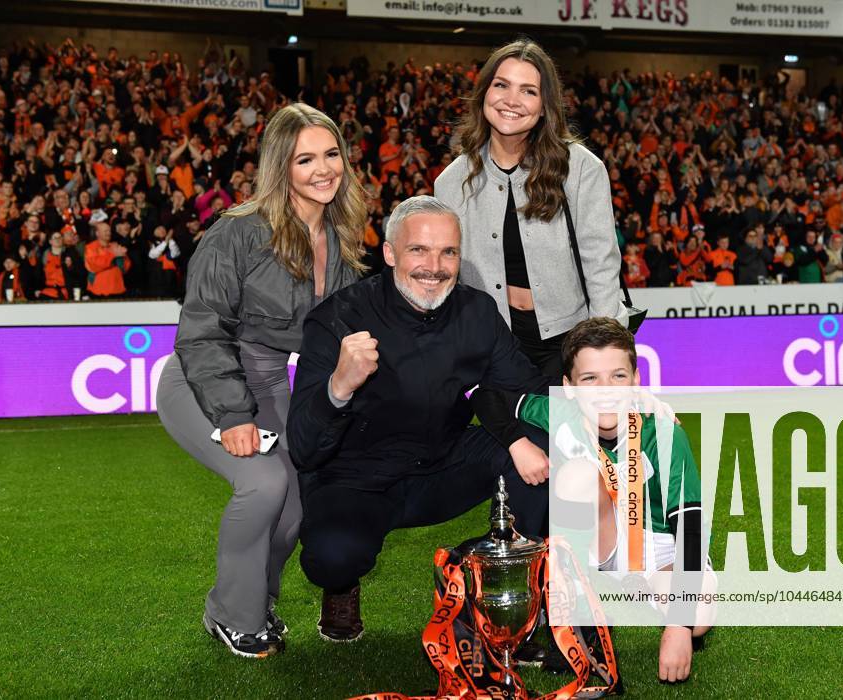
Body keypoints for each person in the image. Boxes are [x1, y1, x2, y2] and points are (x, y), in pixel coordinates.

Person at [287, 195, 551, 643]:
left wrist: (623, 411)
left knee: (544, 446)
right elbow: (304, 447)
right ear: (389, 253)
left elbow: (527, 389)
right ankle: (341, 586)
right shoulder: (337, 319)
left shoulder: (476, 311)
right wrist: (339, 386)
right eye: (419, 250)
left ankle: (515, 593)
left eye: (448, 251)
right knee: (331, 557)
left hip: (443, 463)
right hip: (357, 480)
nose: (435, 266)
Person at [155, 103, 367, 658]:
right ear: (281, 166)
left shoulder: (341, 236)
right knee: (264, 485)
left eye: (331, 154)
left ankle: (255, 603)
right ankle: (234, 614)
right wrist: (234, 415)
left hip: (273, 381)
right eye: (306, 159)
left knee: (294, 507)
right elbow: (200, 332)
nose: (324, 169)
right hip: (204, 379)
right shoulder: (238, 232)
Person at [471, 317, 715, 683]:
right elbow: (483, 393)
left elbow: (690, 533)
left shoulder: (662, 433)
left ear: (636, 381)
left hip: (658, 549)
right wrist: (516, 443)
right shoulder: (560, 412)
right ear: (568, 387)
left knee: (696, 619)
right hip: (601, 541)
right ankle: (583, 614)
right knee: (579, 477)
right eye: (590, 379)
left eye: (618, 376)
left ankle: (633, 594)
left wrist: (678, 627)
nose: (605, 390)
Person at [435, 39, 627, 379]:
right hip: (494, 347)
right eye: (501, 85)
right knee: (514, 434)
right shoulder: (450, 183)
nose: (511, 100)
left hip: (569, 343)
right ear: (484, 94)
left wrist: (603, 352)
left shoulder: (581, 168)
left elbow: (601, 265)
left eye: (528, 91)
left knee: (570, 433)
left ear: (544, 106)